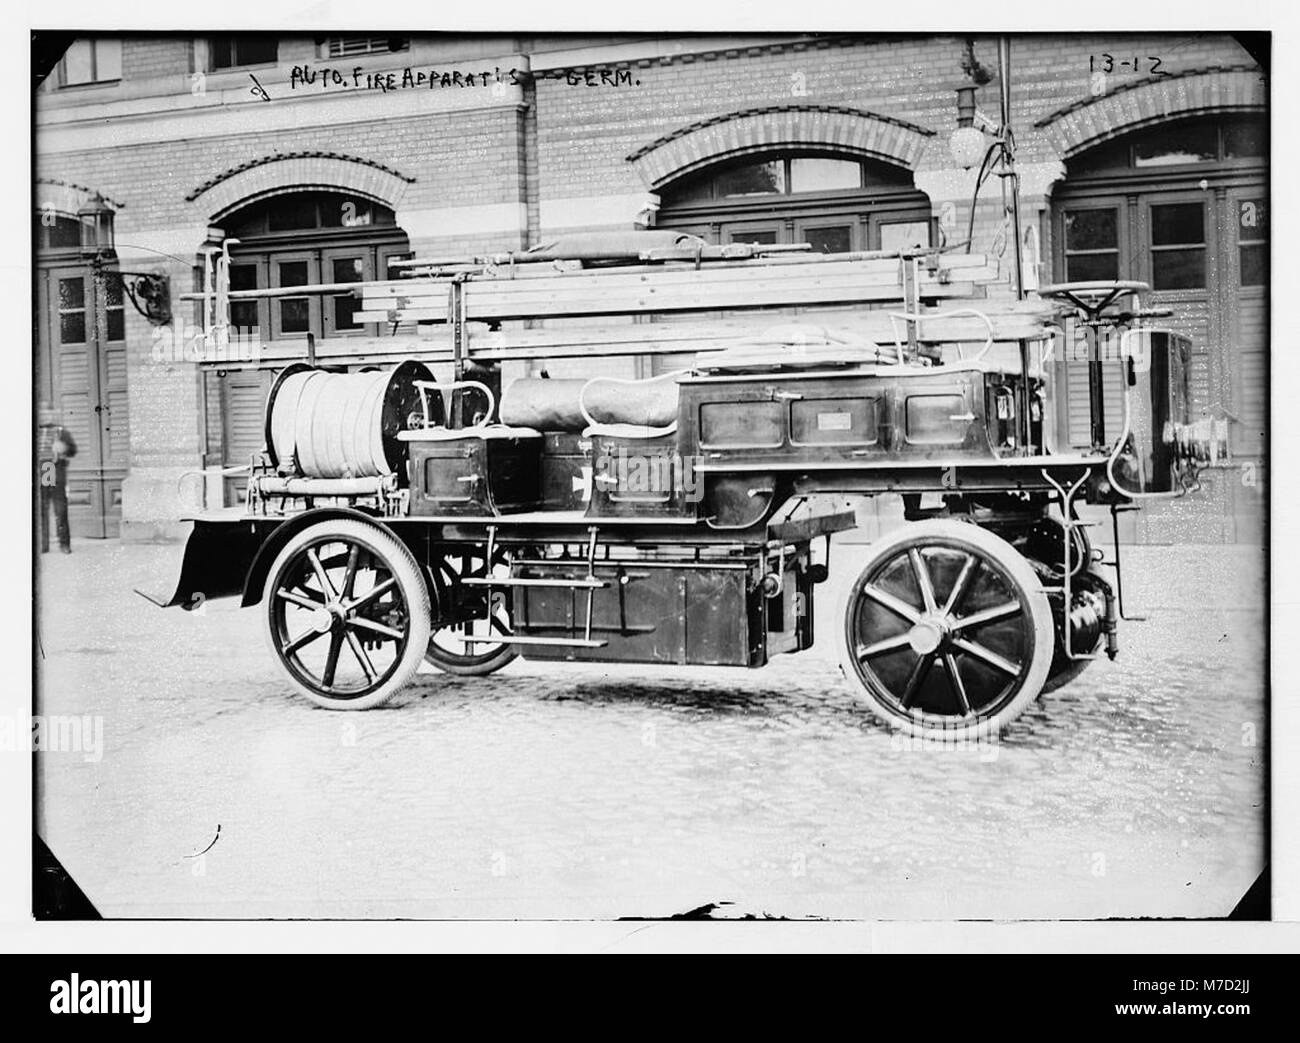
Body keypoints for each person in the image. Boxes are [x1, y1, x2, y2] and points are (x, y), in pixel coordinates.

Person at [37, 402, 76, 554]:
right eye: (41, 414)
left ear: (52, 414)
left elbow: (73, 450)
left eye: (47, 413)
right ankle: (43, 545)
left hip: (54, 469)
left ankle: (64, 544)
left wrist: (64, 448)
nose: (44, 416)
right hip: (38, 471)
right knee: (41, 511)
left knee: (60, 510)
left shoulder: (60, 432)